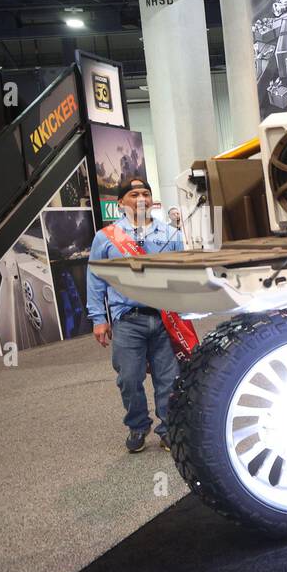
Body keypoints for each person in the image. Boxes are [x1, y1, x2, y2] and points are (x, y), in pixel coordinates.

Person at [86, 179, 187, 452]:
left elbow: (182, 273)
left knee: (169, 379)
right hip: (128, 320)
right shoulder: (106, 237)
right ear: (121, 203)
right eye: (134, 194)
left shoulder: (170, 234)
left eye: (145, 193)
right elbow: (95, 278)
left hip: (165, 318)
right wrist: (98, 318)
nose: (141, 198)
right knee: (129, 379)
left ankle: (168, 428)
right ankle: (137, 426)